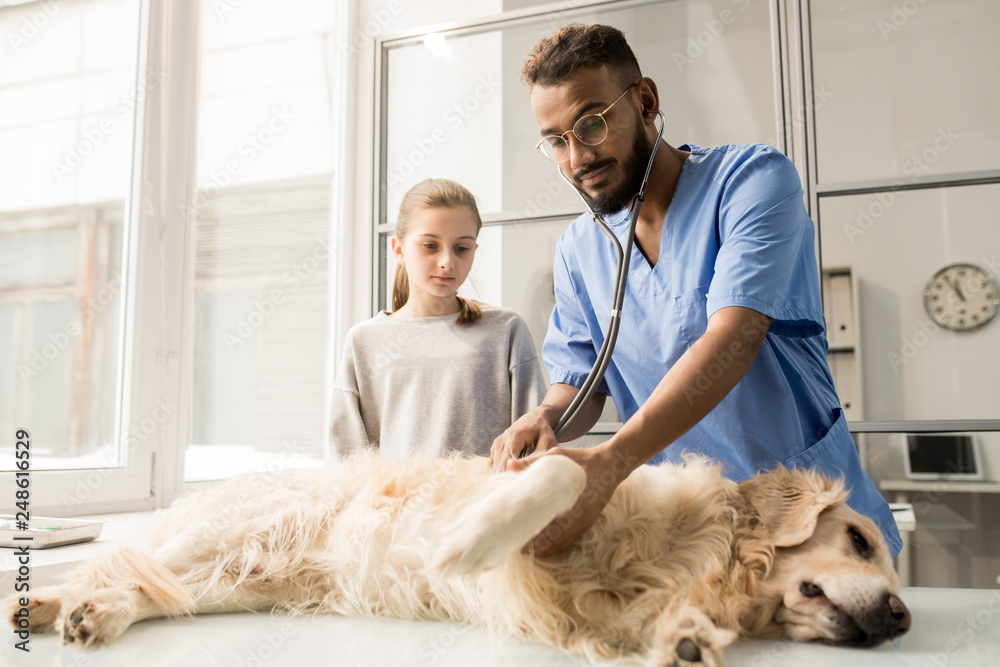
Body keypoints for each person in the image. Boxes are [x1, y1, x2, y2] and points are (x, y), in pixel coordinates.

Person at [489, 24, 902, 558]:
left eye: (591, 124)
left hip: (809, 517)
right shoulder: (578, 249)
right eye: (556, 141)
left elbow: (733, 337)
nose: (577, 158)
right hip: (691, 533)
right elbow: (581, 381)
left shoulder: (752, 181)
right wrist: (546, 416)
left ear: (645, 101)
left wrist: (612, 461)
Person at [330, 178, 546, 460]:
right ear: (399, 249)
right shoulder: (364, 341)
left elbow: (535, 444)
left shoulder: (506, 330)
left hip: (490, 502)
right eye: (430, 245)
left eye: (461, 248)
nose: (447, 261)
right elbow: (347, 461)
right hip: (396, 504)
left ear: (474, 252)